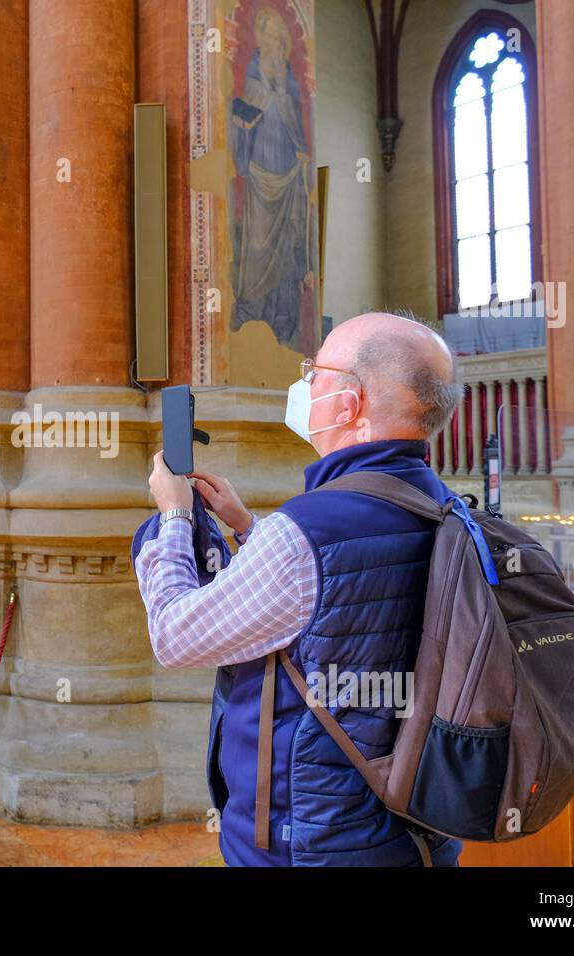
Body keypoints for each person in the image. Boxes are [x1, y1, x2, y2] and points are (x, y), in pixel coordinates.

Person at [137, 312, 465, 867]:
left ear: (349, 403)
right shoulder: (446, 506)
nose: (304, 383)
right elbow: (340, 603)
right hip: (413, 825)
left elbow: (175, 635)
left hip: (305, 839)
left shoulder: (306, 532)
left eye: (316, 371)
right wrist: (249, 530)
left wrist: (172, 518)